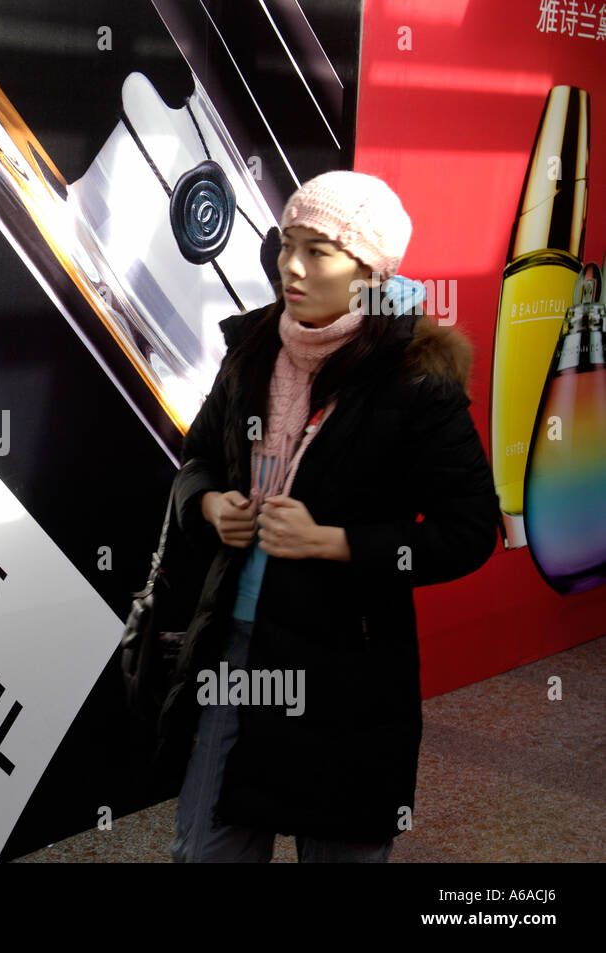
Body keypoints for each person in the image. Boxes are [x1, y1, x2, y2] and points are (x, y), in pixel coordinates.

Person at [157, 170, 500, 862]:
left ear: (369, 270)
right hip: (238, 645)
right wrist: (207, 503)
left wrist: (338, 543)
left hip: (350, 668)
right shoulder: (253, 349)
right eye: (289, 244)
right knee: (204, 851)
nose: (292, 265)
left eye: (319, 251)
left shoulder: (414, 377)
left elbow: (469, 530)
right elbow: (197, 456)